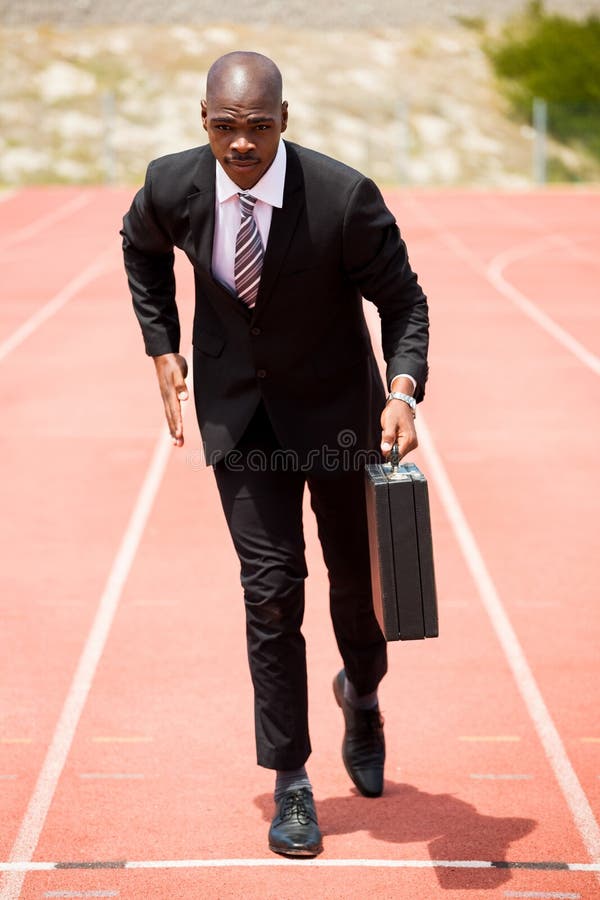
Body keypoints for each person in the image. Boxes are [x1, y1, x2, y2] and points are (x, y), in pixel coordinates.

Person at [121, 50, 429, 858]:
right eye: (226, 127)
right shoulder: (172, 186)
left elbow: (404, 301)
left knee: (357, 595)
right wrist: (162, 345)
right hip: (242, 422)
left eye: (259, 127)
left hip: (336, 417)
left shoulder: (341, 197)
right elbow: (139, 248)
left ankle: (361, 698)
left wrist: (400, 392)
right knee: (271, 594)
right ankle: (292, 782)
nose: (243, 145)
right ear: (204, 122)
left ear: (285, 120)